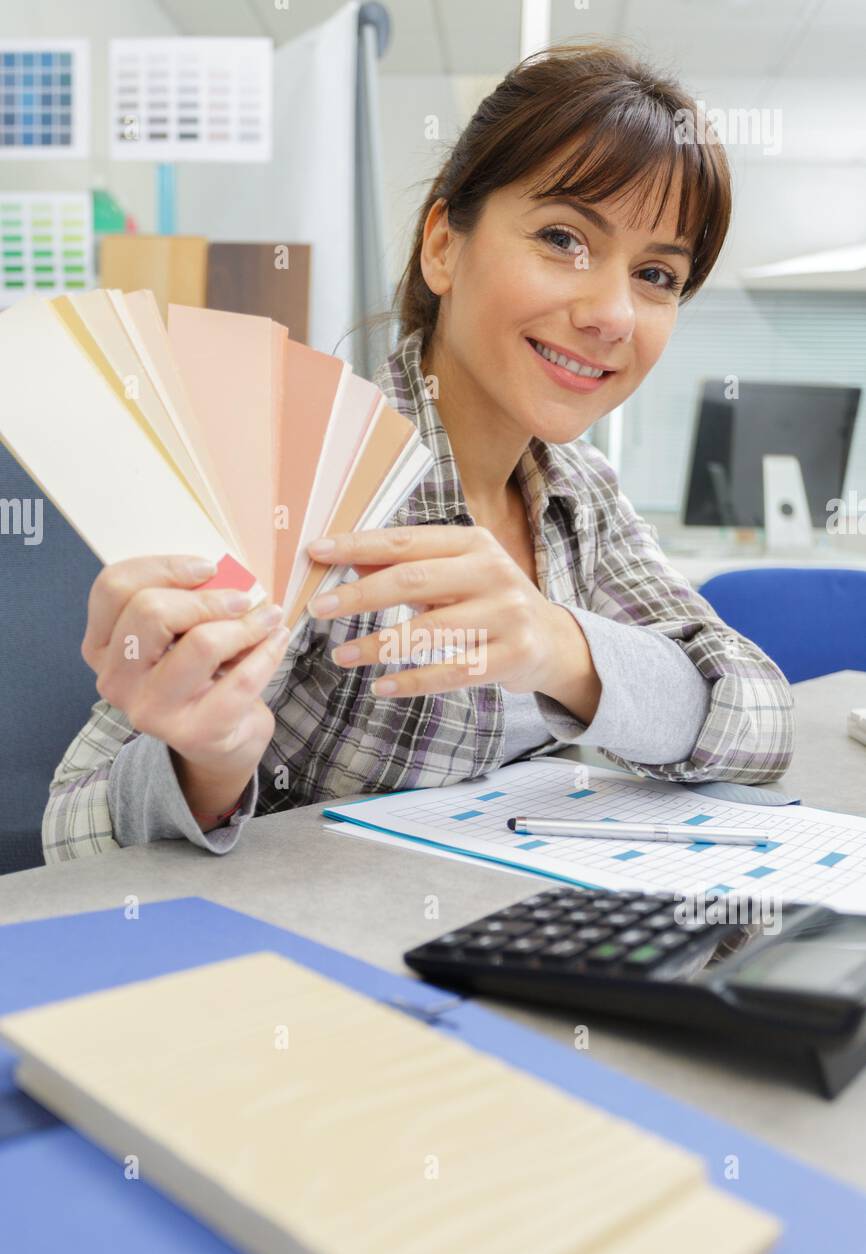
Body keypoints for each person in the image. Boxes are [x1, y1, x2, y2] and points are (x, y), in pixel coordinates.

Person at [42, 41, 793, 864]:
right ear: (444, 245)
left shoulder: (579, 490)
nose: (613, 312)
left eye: (656, 274)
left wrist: (558, 644)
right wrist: (207, 766)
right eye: (562, 238)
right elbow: (70, 831)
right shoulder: (302, 472)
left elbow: (760, 716)